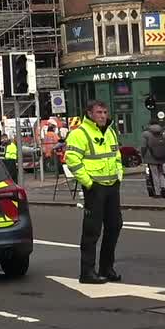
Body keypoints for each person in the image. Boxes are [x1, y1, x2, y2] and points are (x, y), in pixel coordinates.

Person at [65, 98, 124, 285]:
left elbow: (116, 155)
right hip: (95, 188)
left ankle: (107, 268)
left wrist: (119, 175)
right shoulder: (79, 133)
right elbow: (72, 160)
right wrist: (88, 182)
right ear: (89, 114)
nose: (103, 116)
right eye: (99, 112)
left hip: (112, 185)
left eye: (105, 112)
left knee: (115, 226)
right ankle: (87, 272)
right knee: (92, 231)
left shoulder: (111, 132)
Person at [141, 122, 165, 198]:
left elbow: (143, 146)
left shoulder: (146, 134)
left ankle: (158, 193)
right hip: (161, 156)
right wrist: (163, 152)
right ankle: (163, 188)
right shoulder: (163, 133)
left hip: (150, 157)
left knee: (154, 174)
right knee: (161, 173)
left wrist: (143, 156)